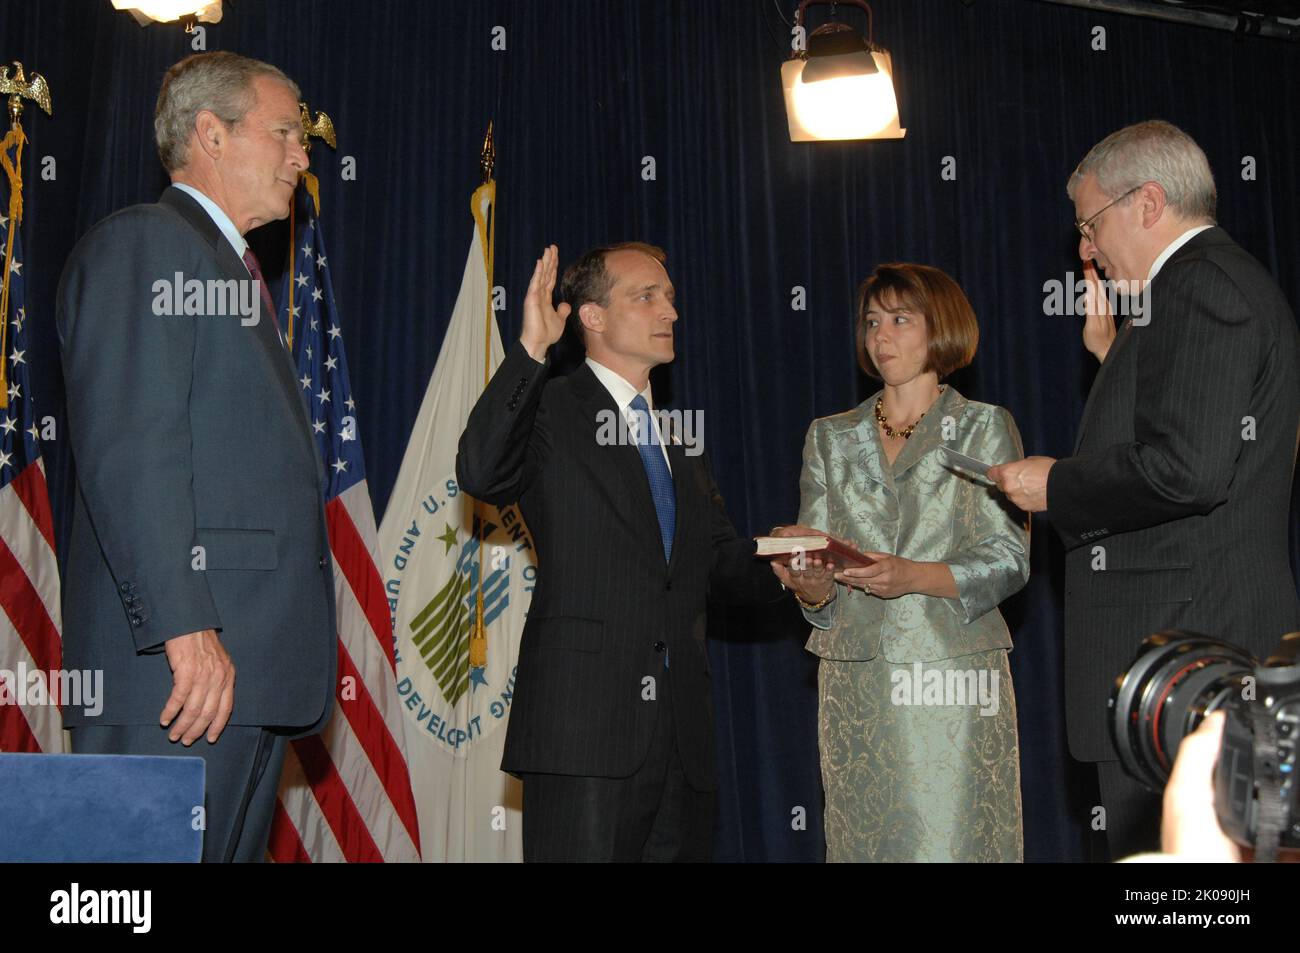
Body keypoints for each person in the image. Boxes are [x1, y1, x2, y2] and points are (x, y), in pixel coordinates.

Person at [989, 120, 1300, 858]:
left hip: (1188, 663)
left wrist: (1057, 483)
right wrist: (1115, 355)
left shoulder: (1199, 288)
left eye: (1091, 225)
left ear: (1149, 202)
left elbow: (1187, 469)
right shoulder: (1193, 294)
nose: (1085, 249)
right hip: (1189, 657)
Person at [56, 52, 336, 862]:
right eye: (285, 132)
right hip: (177, 681)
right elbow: (133, 452)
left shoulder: (228, 275)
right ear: (210, 134)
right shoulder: (148, 245)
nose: (302, 154)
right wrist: (185, 626)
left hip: (236, 680)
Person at [455, 242, 783, 862]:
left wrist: (783, 562)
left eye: (671, 299)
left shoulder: (679, 436)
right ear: (593, 317)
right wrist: (529, 352)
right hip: (582, 732)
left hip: (681, 739)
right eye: (647, 297)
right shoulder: (549, 405)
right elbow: (481, 472)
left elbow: (713, 564)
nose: (671, 312)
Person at [773, 263, 1029, 862]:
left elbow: (1009, 559)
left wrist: (910, 574)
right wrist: (809, 585)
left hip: (951, 678)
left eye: (899, 320)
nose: (880, 336)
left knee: (951, 843)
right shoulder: (830, 437)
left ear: (940, 328)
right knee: (865, 845)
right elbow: (820, 586)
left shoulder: (982, 427)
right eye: (871, 322)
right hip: (855, 680)